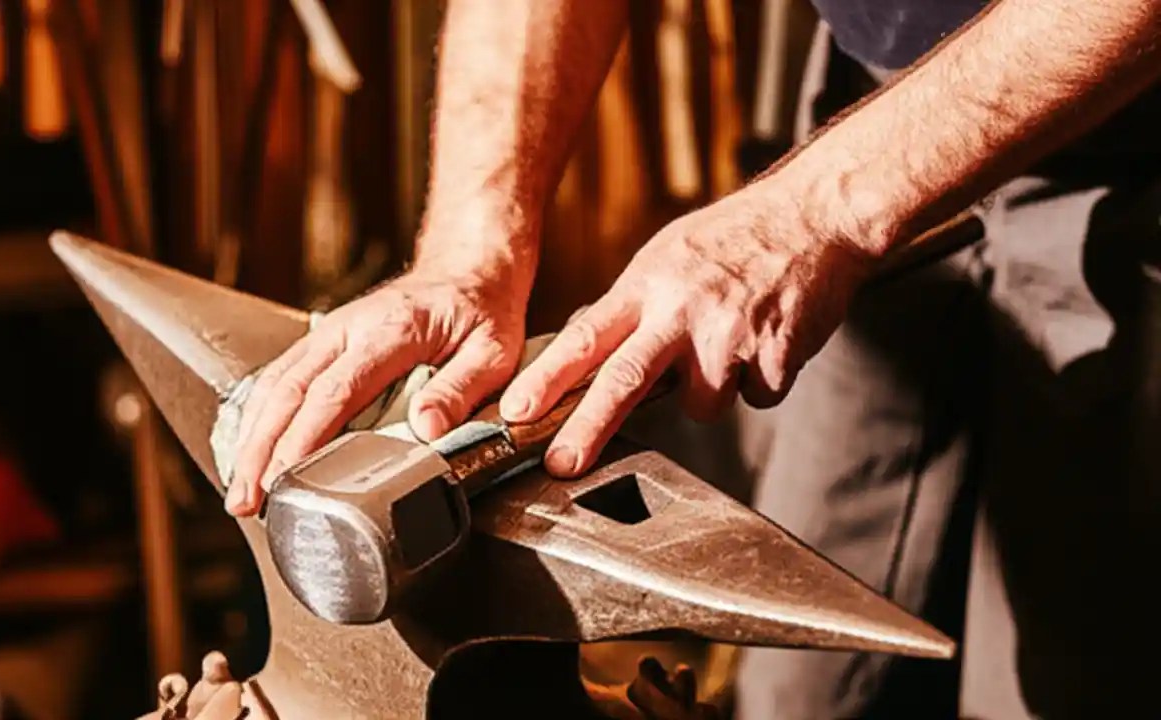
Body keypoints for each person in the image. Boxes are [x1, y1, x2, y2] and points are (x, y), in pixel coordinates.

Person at [224, 1, 1161, 716]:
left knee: (1070, 673)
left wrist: (816, 211)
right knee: (810, 688)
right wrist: (471, 251)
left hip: (1130, 120)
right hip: (883, 92)